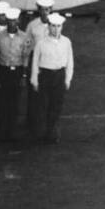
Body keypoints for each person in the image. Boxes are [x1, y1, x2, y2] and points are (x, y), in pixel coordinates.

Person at [28, 12, 72, 144]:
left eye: (58, 26)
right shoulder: (41, 43)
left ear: (62, 27)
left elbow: (70, 62)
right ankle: (40, 132)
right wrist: (34, 80)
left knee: (56, 105)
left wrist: (67, 79)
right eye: (53, 26)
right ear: (48, 26)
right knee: (42, 105)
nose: (56, 29)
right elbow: (35, 62)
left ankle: (52, 132)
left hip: (59, 75)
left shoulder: (66, 42)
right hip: (45, 75)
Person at [0, 6, 32, 141]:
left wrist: (24, 76)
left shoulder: (25, 37)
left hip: (18, 72)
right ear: (7, 21)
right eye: (9, 20)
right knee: (2, 102)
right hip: (3, 71)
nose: (12, 23)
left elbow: (26, 57)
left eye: (14, 20)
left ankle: (13, 132)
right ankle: (1, 132)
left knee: (15, 101)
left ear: (18, 21)